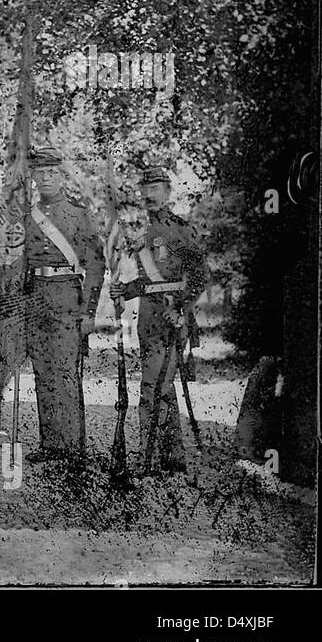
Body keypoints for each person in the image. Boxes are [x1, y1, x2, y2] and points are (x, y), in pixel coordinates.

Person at [109, 166, 208, 473]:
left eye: (156, 188)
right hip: (149, 316)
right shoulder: (139, 233)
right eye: (146, 189)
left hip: (173, 316)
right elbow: (147, 282)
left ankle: (147, 455)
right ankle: (173, 454)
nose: (149, 194)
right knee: (161, 384)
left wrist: (181, 309)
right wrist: (124, 290)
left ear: (168, 192)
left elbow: (201, 276)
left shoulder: (182, 229)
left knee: (153, 385)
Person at [24, 147, 105, 462]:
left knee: (66, 372)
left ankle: (72, 446)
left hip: (67, 297)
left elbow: (96, 266)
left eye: (51, 173)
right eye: (40, 173)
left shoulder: (78, 214)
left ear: (61, 176)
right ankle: (50, 445)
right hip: (36, 299)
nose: (45, 178)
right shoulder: (27, 216)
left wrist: (89, 312)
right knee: (43, 371)